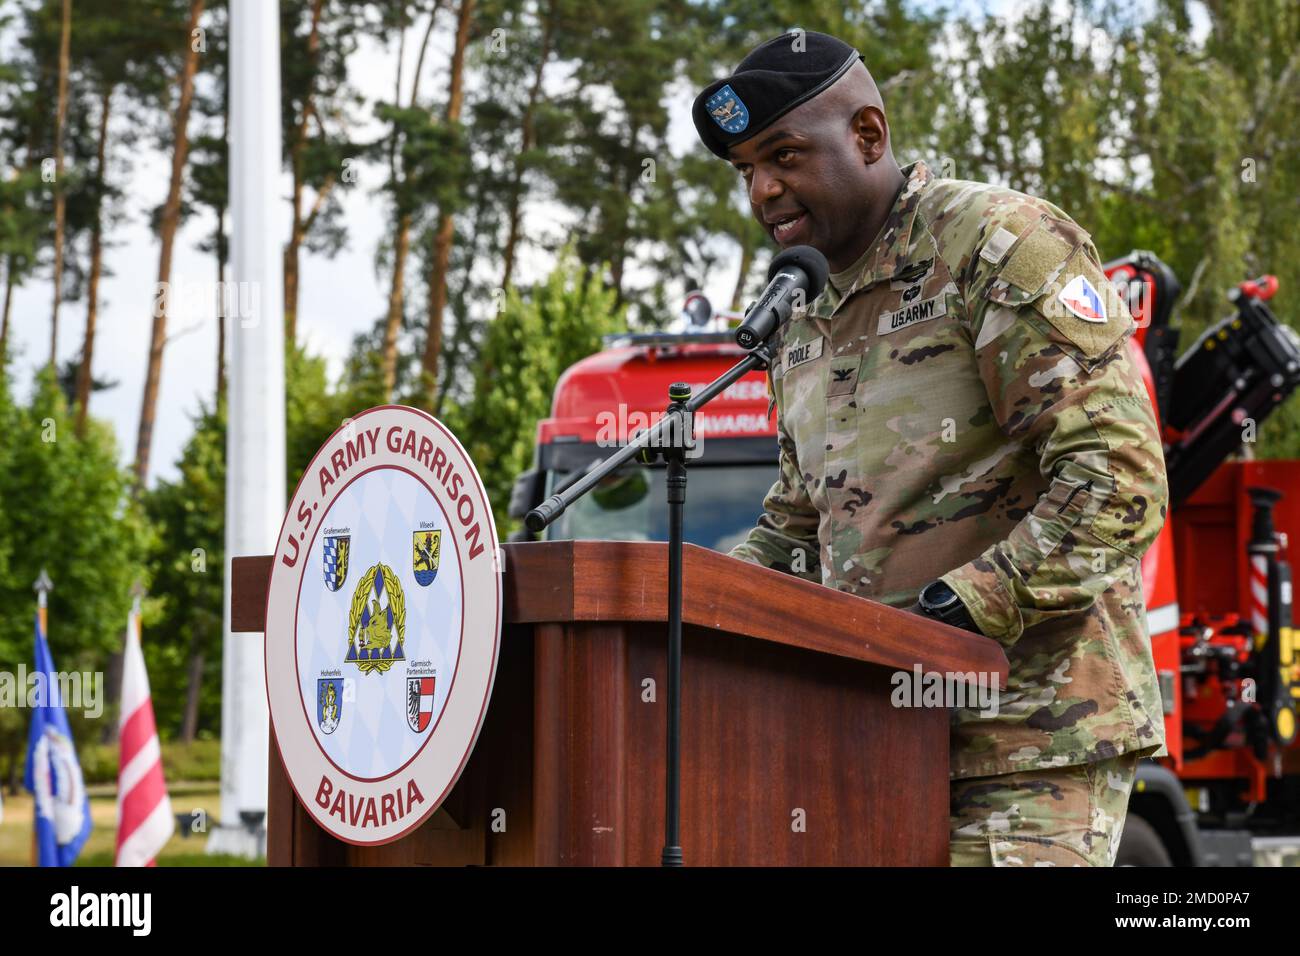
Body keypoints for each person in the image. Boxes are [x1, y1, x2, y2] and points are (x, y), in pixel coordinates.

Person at [693, 30, 1169, 866]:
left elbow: (1116, 477)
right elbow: (802, 526)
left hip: (1029, 739)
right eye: (745, 170)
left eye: (786, 155)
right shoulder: (801, 310)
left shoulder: (997, 245)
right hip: (866, 746)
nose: (764, 188)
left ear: (869, 136)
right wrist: (693, 598)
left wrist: (964, 607)